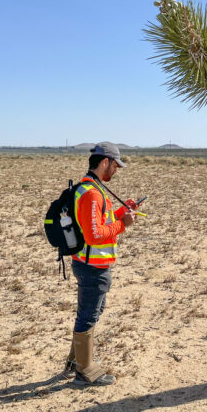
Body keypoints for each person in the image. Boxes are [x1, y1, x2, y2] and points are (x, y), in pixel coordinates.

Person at [63, 142, 137, 386]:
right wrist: (123, 225)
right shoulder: (92, 193)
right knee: (88, 315)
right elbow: (95, 235)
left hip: (90, 264)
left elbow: (95, 225)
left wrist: (119, 214)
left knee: (90, 313)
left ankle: (75, 363)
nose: (116, 171)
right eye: (115, 165)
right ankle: (85, 372)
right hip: (92, 266)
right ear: (105, 162)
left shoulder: (91, 190)